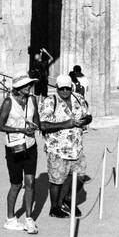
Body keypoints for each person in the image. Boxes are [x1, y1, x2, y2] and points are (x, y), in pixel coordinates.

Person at [39, 73, 91, 217]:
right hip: (57, 149)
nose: (65, 91)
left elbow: (89, 116)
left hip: (76, 148)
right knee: (57, 180)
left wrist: (84, 121)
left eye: (67, 88)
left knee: (80, 177)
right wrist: (67, 124)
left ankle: (67, 199)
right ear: (56, 88)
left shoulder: (78, 99)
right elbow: (43, 125)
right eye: (62, 89)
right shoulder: (50, 102)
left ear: (71, 87)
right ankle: (54, 208)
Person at [0, 75, 40, 233]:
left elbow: (37, 120)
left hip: (30, 145)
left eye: (29, 84)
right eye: (25, 85)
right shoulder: (8, 102)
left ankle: (29, 218)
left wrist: (35, 127)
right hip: (14, 146)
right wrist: (21, 129)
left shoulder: (32, 100)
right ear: (18, 87)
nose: (28, 86)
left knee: (30, 182)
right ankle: (10, 218)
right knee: (16, 184)